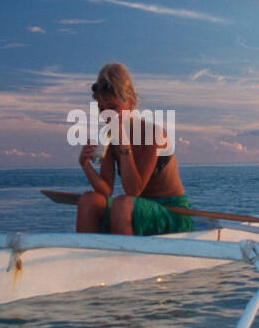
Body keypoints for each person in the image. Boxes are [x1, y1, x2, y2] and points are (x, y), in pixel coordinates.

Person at [76, 63, 193, 235]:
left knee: (122, 204)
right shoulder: (110, 135)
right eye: (101, 109)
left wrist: (124, 147)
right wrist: (85, 164)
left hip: (171, 211)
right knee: (88, 200)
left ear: (131, 103)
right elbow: (106, 190)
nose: (107, 115)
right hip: (137, 208)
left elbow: (133, 191)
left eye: (113, 107)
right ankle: (84, 251)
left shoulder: (152, 134)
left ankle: (125, 253)